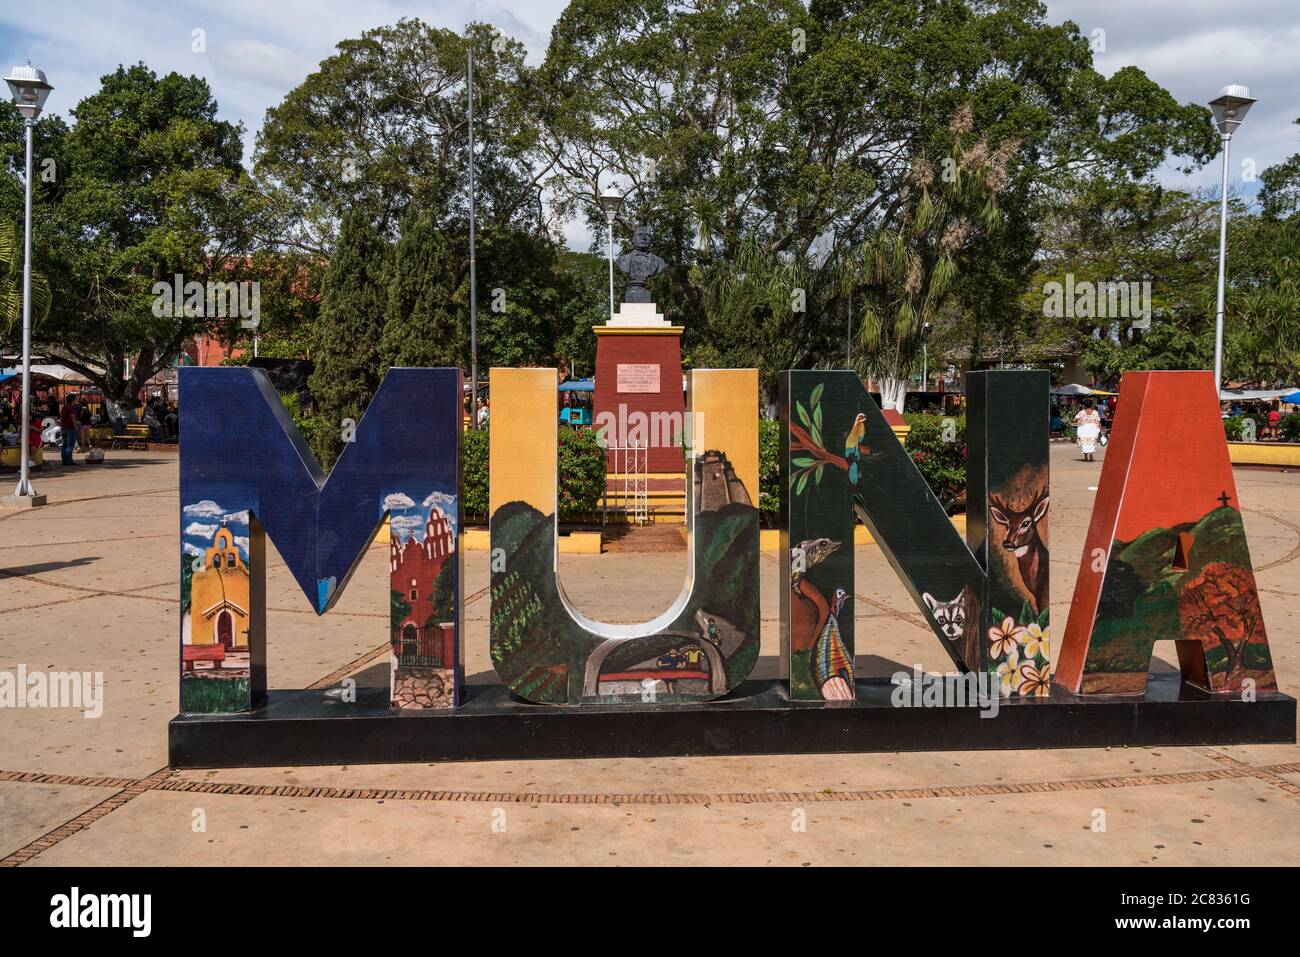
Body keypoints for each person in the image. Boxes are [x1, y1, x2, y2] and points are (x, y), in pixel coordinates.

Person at [1073, 398, 1102, 463]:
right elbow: (1098, 421)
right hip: (1093, 429)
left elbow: (1074, 419)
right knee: (1092, 442)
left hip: (1083, 429)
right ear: (1091, 405)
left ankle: (1086, 456)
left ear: (1084, 405)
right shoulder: (1095, 412)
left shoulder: (1081, 412)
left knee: (1085, 442)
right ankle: (1091, 455)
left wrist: (1080, 418)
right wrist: (1101, 430)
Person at [59, 396, 78, 466]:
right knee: (70, 445)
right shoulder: (71, 407)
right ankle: (69, 461)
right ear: (72, 400)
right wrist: (75, 427)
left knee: (65, 445)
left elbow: (61, 417)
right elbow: (73, 418)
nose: (76, 400)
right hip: (70, 428)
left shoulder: (64, 407)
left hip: (63, 427)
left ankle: (64, 460)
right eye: (75, 399)